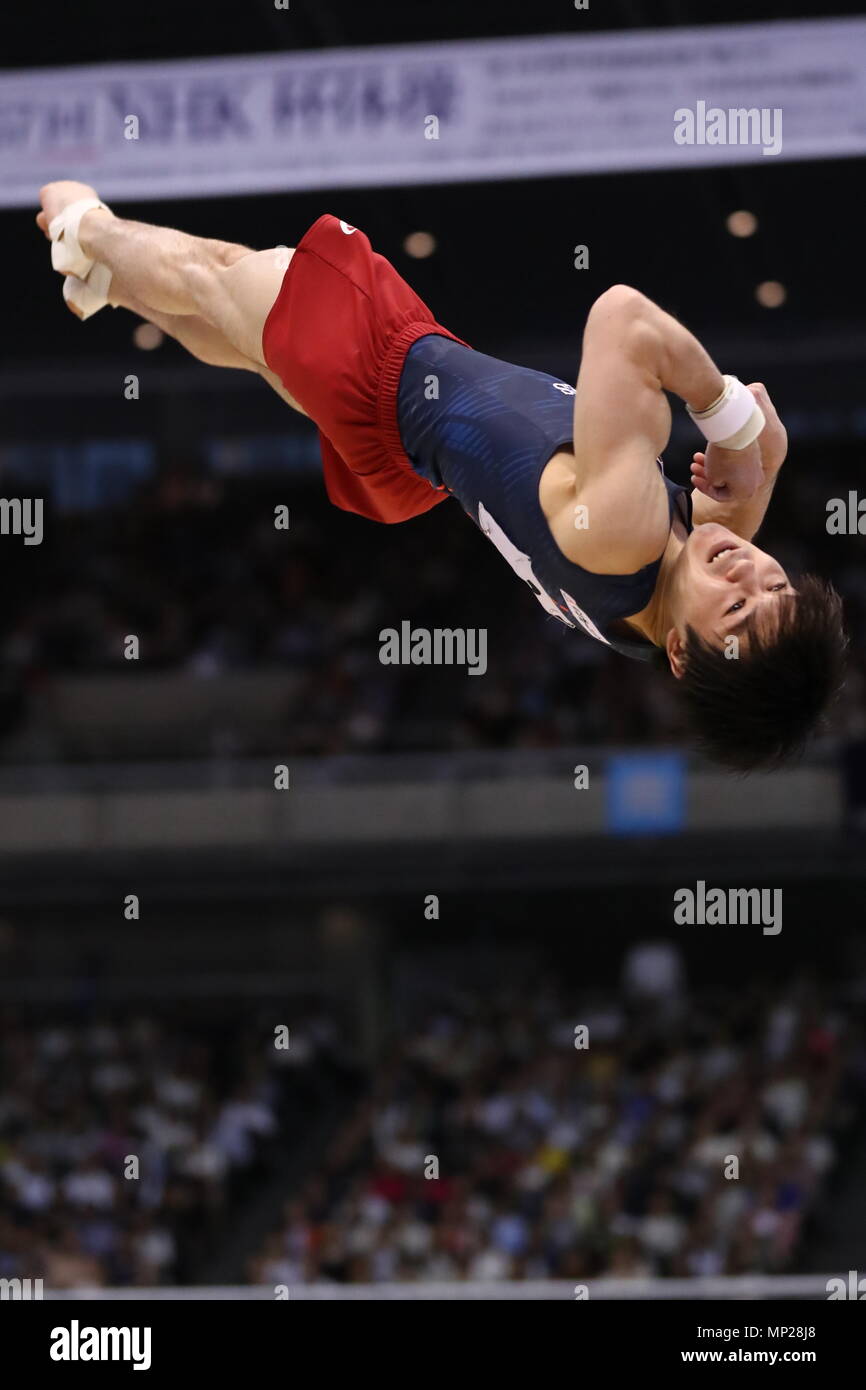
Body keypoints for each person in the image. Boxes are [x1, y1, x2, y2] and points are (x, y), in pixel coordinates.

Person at [37, 182, 846, 770]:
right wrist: (754, 450)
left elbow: (623, 317)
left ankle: (86, 232)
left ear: (678, 655)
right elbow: (747, 494)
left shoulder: (631, 530)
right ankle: (115, 289)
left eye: (740, 605)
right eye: (779, 587)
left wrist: (727, 413)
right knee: (243, 337)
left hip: (382, 372)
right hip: (408, 462)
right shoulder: (671, 594)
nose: (749, 569)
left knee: (219, 274)